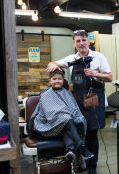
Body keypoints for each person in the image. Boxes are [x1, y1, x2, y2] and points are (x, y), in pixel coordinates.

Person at [47, 29, 113, 174]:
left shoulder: (98, 57)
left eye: (84, 40)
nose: (81, 43)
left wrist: (94, 74)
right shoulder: (72, 58)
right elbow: (53, 63)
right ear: (74, 43)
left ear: (88, 41)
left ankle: (92, 168)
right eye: (78, 41)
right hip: (77, 101)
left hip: (93, 99)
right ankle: (80, 163)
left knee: (91, 134)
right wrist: (53, 65)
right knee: (78, 132)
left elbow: (109, 77)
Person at [29, 69, 94, 162]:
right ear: (50, 81)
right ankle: (81, 145)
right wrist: (64, 114)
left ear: (63, 80)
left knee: (72, 122)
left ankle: (70, 149)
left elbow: (74, 108)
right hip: (47, 124)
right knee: (65, 119)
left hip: (63, 124)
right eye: (54, 79)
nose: (57, 81)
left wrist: (75, 117)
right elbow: (50, 112)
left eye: (59, 79)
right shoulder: (46, 94)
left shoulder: (67, 93)